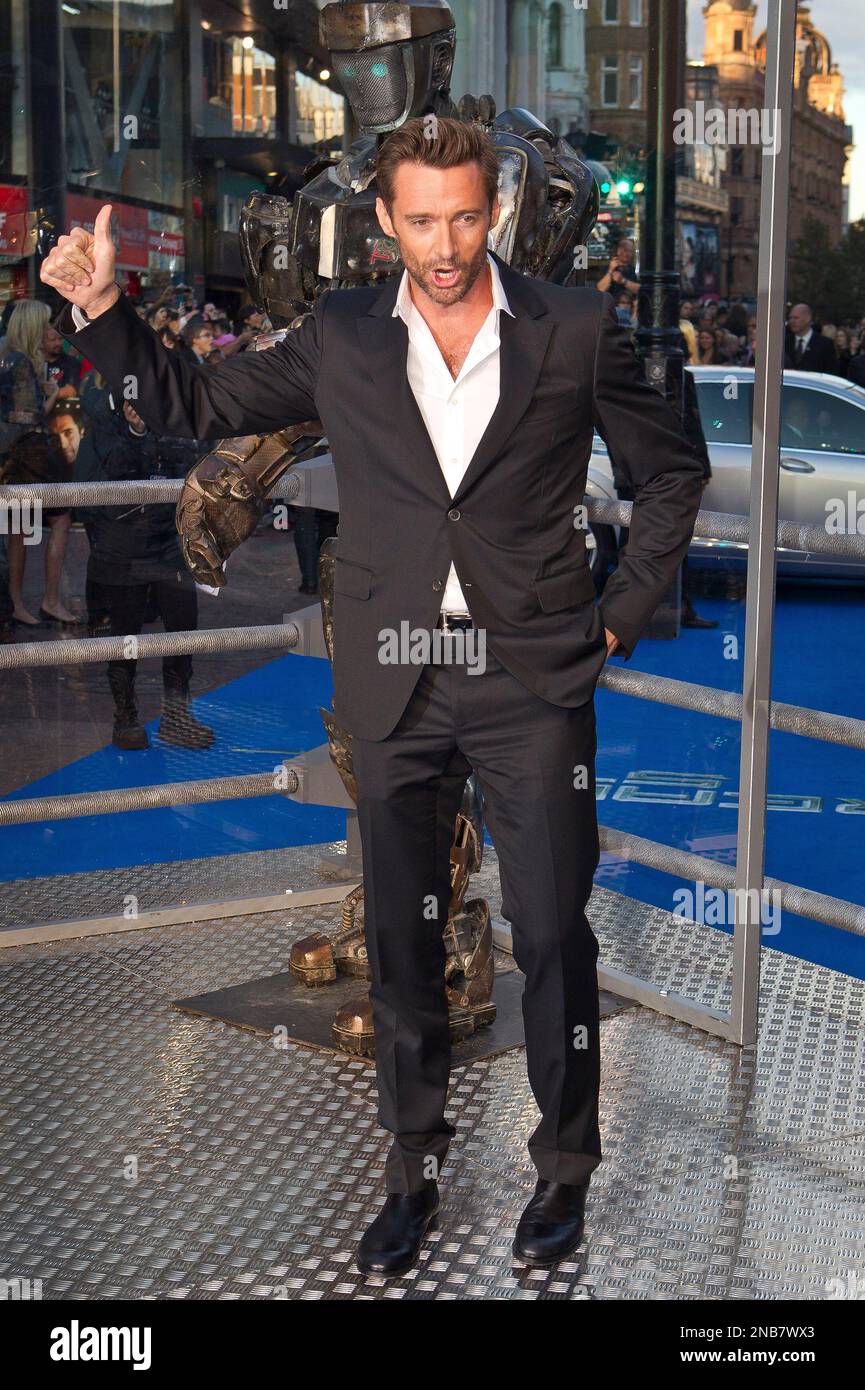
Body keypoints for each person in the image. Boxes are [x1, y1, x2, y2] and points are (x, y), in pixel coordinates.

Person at [43, 118, 703, 1277]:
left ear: (490, 210)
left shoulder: (576, 328)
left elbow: (671, 473)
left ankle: (561, 1172)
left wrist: (619, 611)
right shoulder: (342, 334)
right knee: (400, 944)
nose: (443, 246)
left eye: (462, 216)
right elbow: (196, 400)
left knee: (550, 934)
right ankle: (413, 1172)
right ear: (384, 221)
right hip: (391, 675)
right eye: (418, 219)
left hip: (531, 677)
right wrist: (105, 317)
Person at [72, 386, 214, 751]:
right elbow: (101, 478)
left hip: (170, 544)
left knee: (183, 631)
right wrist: (137, 435)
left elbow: (195, 464)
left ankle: (177, 718)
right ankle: (125, 717)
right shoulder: (103, 423)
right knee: (124, 638)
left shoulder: (174, 421)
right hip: (122, 550)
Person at [0, 299, 79, 626]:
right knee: (41, 525)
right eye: (45, 323)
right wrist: (51, 395)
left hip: (18, 460)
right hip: (24, 461)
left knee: (19, 532)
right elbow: (27, 418)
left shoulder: (10, 357)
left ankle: (19, 604)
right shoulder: (19, 362)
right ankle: (32, 603)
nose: (51, 330)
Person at [784, 303, 837, 373]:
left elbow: (831, 372)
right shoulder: (784, 342)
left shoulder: (825, 344)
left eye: (796, 318)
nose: (791, 321)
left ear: (808, 319)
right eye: (790, 318)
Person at [596, 236, 639, 304]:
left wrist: (622, 280)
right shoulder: (607, 268)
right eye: (626, 250)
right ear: (619, 251)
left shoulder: (632, 269)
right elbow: (600, 289)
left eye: (630, 251)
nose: (628, 254)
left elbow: (639, 289)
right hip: (611, 307)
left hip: (628, 308)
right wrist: (610, 271)